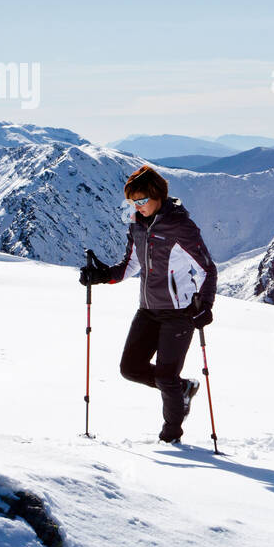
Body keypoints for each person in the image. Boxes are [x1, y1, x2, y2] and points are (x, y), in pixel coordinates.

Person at [79, 165, 217, 443]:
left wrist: (205, 304)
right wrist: (102, 275)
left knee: (166, 376)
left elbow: (207, 269)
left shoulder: (181, 226)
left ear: (158, 196)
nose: (137, 206)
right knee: (130, 368)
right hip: (147, 310)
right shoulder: (137, 225)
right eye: (132, 202)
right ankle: (183, 389)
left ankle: (171, 438)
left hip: (178, 313)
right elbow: (130, 265)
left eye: (141, 200)